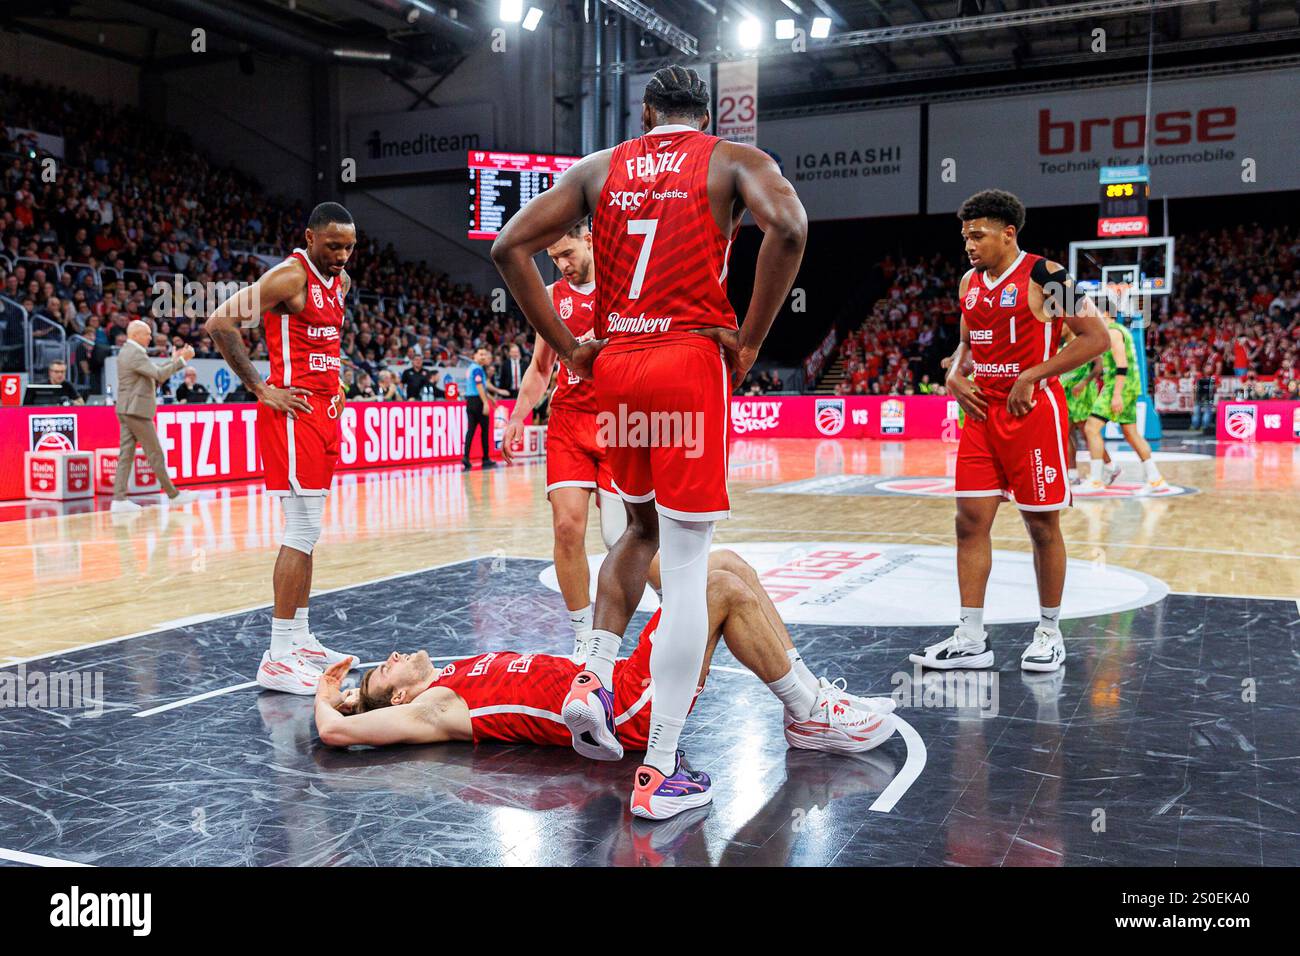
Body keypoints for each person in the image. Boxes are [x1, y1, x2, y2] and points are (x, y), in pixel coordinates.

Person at [491, 65, 807, 819]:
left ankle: (591, 675)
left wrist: (570, 347)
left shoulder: (602, 168)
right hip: (688, 359)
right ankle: (661, 770)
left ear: (647, 112)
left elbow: (508, 248)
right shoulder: (732, 161)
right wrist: (753, 338)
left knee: (636, 529)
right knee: (689, 568)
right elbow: (789, 228)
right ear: (704, 116)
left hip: (619, 367)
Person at [314, 550, 898, 798]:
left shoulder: (462, 666)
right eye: (383, 678)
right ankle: (810, 715)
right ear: (404, 698)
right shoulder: (434, 708)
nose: (388, 660)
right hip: (630, 710)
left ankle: (811, 700)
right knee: (717, 588)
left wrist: (356, 694)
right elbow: (339, 734)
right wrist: (326, 694)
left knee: (714, 563)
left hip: (621, 678)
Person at [912, 189, 1108, 675]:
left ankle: (1048, 631)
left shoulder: (1047, 275)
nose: (970, 245)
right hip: (980, 414)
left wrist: (1032, 375)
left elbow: (1096, 338)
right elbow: (965, 345)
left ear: (1008, 233)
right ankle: (971, 637)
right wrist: (955, 376)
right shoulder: (968, 284)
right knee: (969, 522)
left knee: (1041, 525)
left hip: (1032, 414)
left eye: (977, 236)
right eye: (965, 237)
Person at [204, 201, 357, 694]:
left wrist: (336, 377)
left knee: (309, 529)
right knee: (302, 526)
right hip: (291, 416)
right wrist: (261, 388)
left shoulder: (341, 283)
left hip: (323, 412)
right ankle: (277, 654)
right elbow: (220, 322)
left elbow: (322, 342)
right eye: (333, 246)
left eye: (349, 247)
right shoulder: (290, 277)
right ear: (310, 238)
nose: (341, 256)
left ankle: (301, 638)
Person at [502, 219, 626, 656]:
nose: (561, 266)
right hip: (569, 420)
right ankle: (583, 635)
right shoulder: (552, 298)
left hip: (620, 422)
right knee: (566, 526)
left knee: (619, 537)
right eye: (553, 259)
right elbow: (539, 368)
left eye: (566, 254)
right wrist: (518, 415)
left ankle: (675, 610)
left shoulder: (624, 287)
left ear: (589, 240)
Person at [110, 320, 199, 514]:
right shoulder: (134, 352)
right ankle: (173, 495)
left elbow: (152, 372)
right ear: (135, 335)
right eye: (147, 333)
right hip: (136, 410)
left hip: (127, 408)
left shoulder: (130, 351)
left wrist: (174, 360)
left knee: (126, 455)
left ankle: (118, 499)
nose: (150, 337)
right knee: (155, 453)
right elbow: (158, 375)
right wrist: (182, 361)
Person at [1077, 313, 1167, 496]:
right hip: (1128, 387)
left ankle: (1096, 480)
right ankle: (1155, 478)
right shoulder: (1118, 331)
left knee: (1091, 429)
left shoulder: (1113, 332)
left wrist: (1117, 394)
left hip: (1118, 387)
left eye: (1097, 313)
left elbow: (1122, 365)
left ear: (1108, 314)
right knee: (1131, 434)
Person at [1057, 328, 1116, 487]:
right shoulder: (1060, 349)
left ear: (1069, 326)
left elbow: (1099, 366)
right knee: (1065, 435)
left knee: (1087, 434)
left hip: (1084, 395)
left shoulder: (1085, 343)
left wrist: (1084, 382)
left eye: (1062, 324)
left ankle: (1110, 466)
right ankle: (1072, 473)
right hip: (1067, 396)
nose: (1060, 328)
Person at [461, 345, 496, 470]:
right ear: (474, 356)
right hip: (478, 402)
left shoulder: (471, 368)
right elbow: (479, 386)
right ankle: (485, 458)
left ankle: (466, 457)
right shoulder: (477, 369)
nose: (483, 356)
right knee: (484, 431)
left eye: (484, 354)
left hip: (470, 401)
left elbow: (480, 387)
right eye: (480, 354)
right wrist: (486, 403)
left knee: (470, 430)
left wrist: (490, 398)